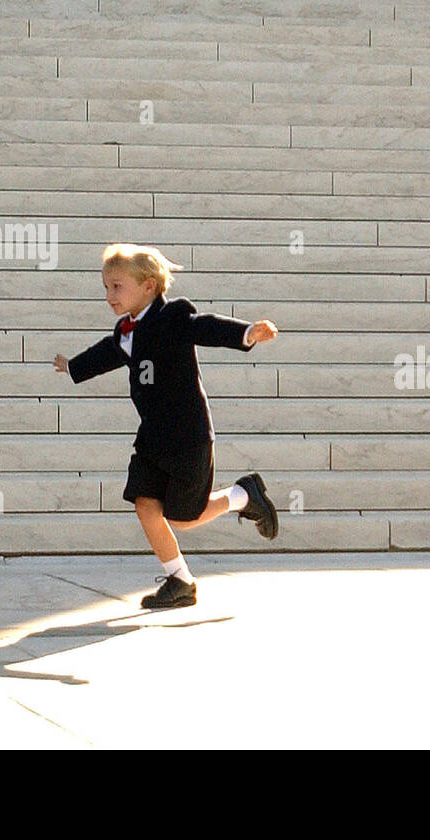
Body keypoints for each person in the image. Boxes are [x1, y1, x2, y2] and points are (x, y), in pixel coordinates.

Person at [53, 244, 280, 609]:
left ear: (148, 286)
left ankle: (243, 496)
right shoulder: (126, 332)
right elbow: (107, 353)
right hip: (152, 438)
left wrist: (247, 333)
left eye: (117, 286)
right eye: (106, 287)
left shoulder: (172, 317)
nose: (109, 295)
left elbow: (204, 327)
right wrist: (74, 366)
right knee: (145, 505)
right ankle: (179, 580)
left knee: (183, 516)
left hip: (188, 436)